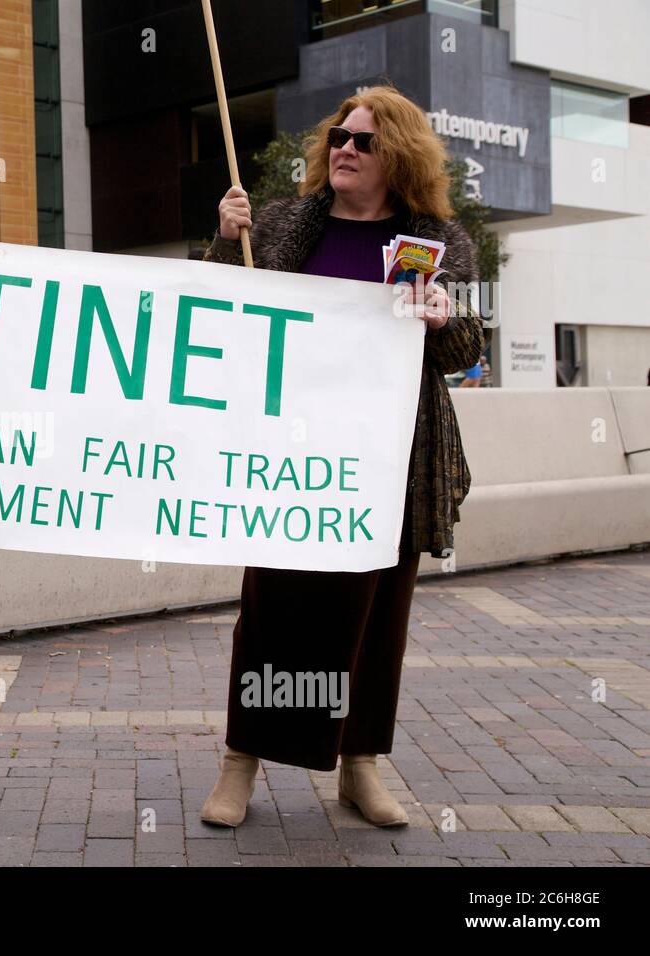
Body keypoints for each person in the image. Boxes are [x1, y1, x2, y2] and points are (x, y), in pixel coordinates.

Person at [199, 85, 484, 828]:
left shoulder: (441, 242)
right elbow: (225, 314)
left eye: (363, 141)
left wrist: (441, 318)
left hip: (393, 457)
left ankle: (360, 766)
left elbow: (462, 349)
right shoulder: (284, 222)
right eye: (338, 139)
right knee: (274, 610)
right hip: (296, 451)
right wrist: (227, 243)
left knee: (377, 616)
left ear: (399, 156)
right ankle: (241, 763)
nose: (344, 150)